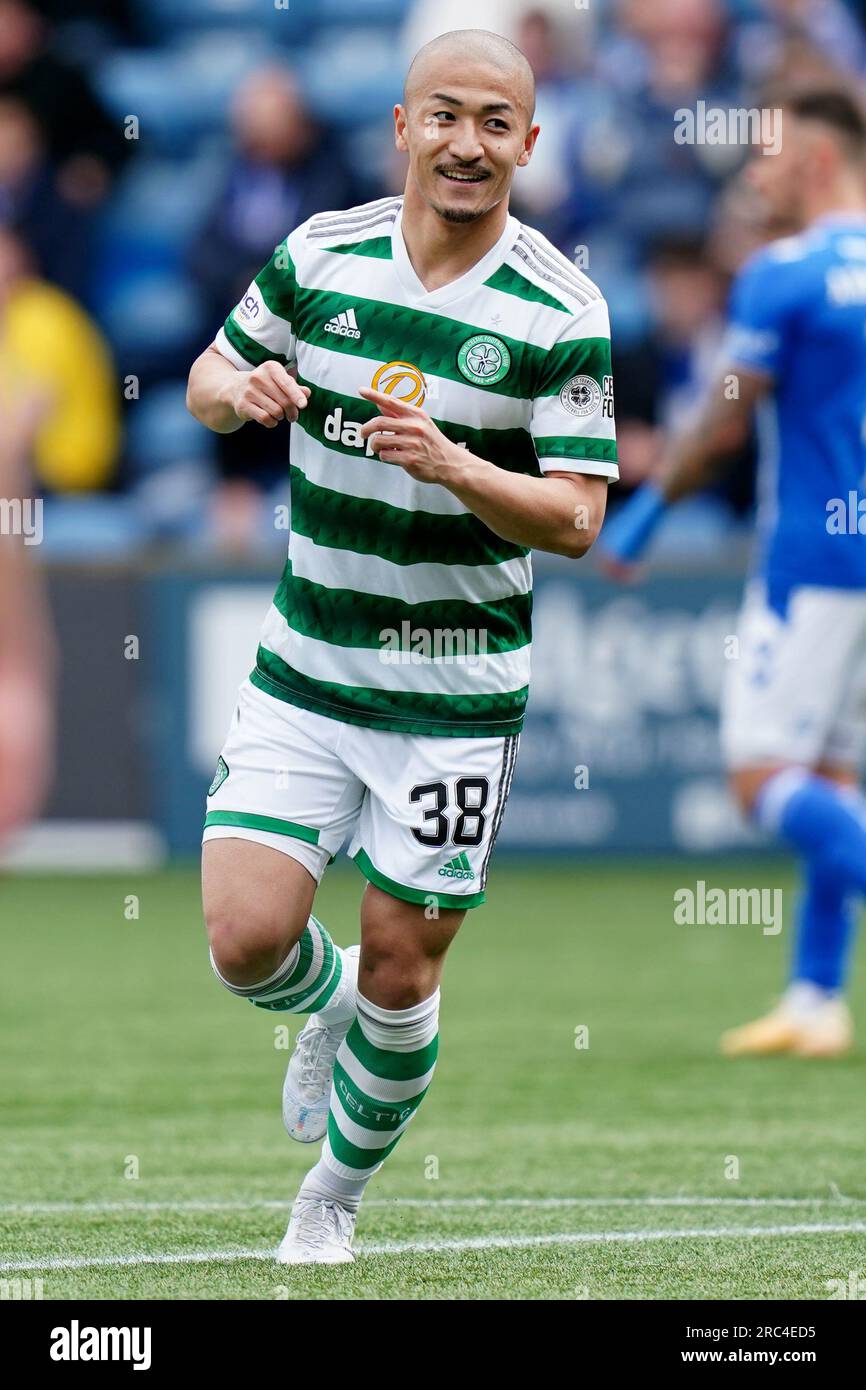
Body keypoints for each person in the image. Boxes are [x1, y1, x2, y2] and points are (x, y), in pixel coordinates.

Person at [187, 28, 617, 1264]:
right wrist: (240, 393)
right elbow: (205, 380)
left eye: (494, 122)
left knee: (399, 959)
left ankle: (330, 1198)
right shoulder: (318, 253)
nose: (466, 144)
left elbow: (579, 517)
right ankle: (319, 1011)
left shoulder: (559, 307)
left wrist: (458, 465)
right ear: (400, 127)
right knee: (244, 941)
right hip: (308, 662)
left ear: (528, 143)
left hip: (452, 696)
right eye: (444, 116)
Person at [598, 87, 866, 1059]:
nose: (751, 174)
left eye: (767, 155)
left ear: (818, 162)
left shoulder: (781, 275)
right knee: (829, 774)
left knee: (759, 777)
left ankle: (812, 994)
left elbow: (715, 419)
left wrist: (638, 513)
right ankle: (814, 996)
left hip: (812, 561)